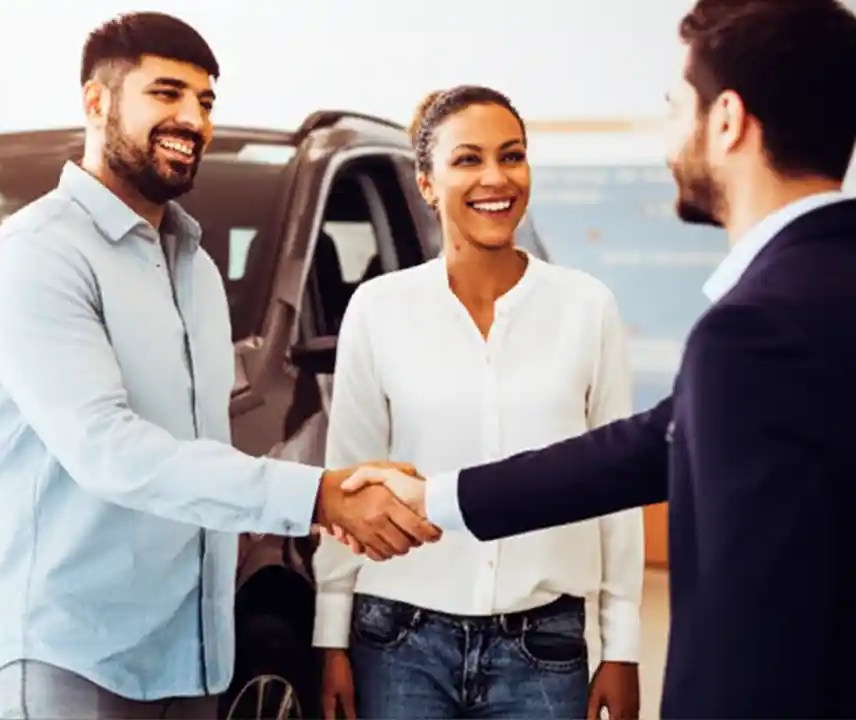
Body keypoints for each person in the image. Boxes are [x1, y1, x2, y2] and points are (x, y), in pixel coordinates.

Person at [342, 0, 856, 716]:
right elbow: (637, 451)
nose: (666, 134)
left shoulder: (756, 328)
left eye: (676, 106)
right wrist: (432, 498)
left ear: (729, 120)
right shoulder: (822, 293)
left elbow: (759, 622)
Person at [0, 12, 438, 720]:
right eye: (167, 93)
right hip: (72, 655)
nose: (193, 119)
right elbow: (111, 452)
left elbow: (199, 455)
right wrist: (320, 495)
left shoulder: (194, 270)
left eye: (205, 101)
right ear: (96, 101)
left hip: (191, 656)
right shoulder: (40, 254)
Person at [312, 86, 643, 720]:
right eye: (467, 160)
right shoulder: (379, 309)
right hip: (398, 640)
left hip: (544, 646)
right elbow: (349, 481)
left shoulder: (586, 306)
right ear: (427, 183)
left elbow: (617, 487)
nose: (496, 177)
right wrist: (331, 638)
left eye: (512, 156)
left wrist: (622, 645)